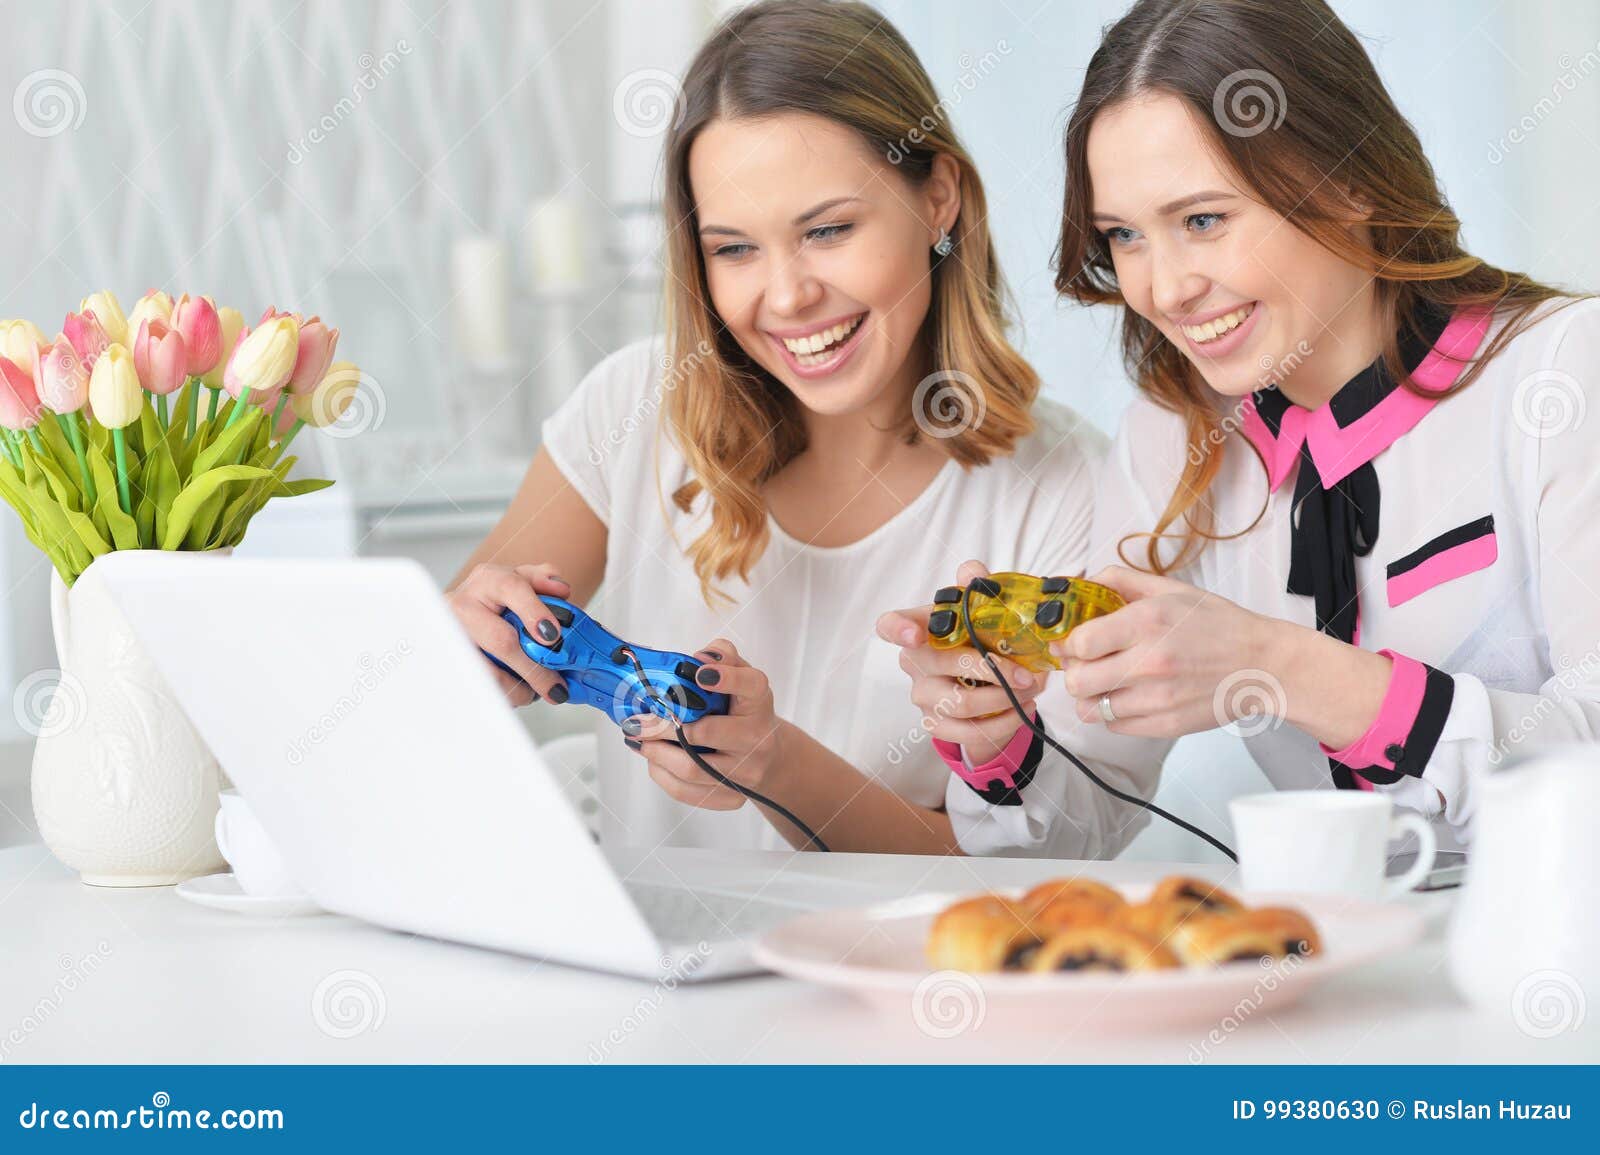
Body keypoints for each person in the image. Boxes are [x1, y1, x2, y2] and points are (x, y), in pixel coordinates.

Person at [880, 0, 1599, 859]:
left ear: (1352, 179)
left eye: (1204, 219)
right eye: (1125, 237)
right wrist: (1001, 739)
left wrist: (1278, 664)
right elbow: (1078, 820)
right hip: (1336, 971)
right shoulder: (1171, 441)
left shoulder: (1561, 374)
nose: (1165, 288)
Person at [446, 0, 1103, 854]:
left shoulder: (1069, 488)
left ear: (937, 199)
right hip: (642, 978)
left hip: (904, 984)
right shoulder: (633, 406)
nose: (787, 297)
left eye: (827, 231)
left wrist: (775, 765)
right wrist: (469, 645)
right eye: (734, 249)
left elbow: (1019, 876)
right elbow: (445, 680)